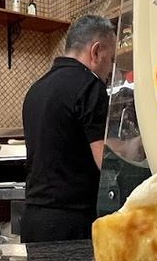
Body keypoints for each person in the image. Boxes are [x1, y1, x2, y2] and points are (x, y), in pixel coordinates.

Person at [20, 15, 117, 242]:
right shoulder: (91, 86)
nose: (110, 69)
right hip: (71, 223)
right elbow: (105, 161)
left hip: (34, 220)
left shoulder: (36, 89)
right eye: (110, 59)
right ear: (95, 51)